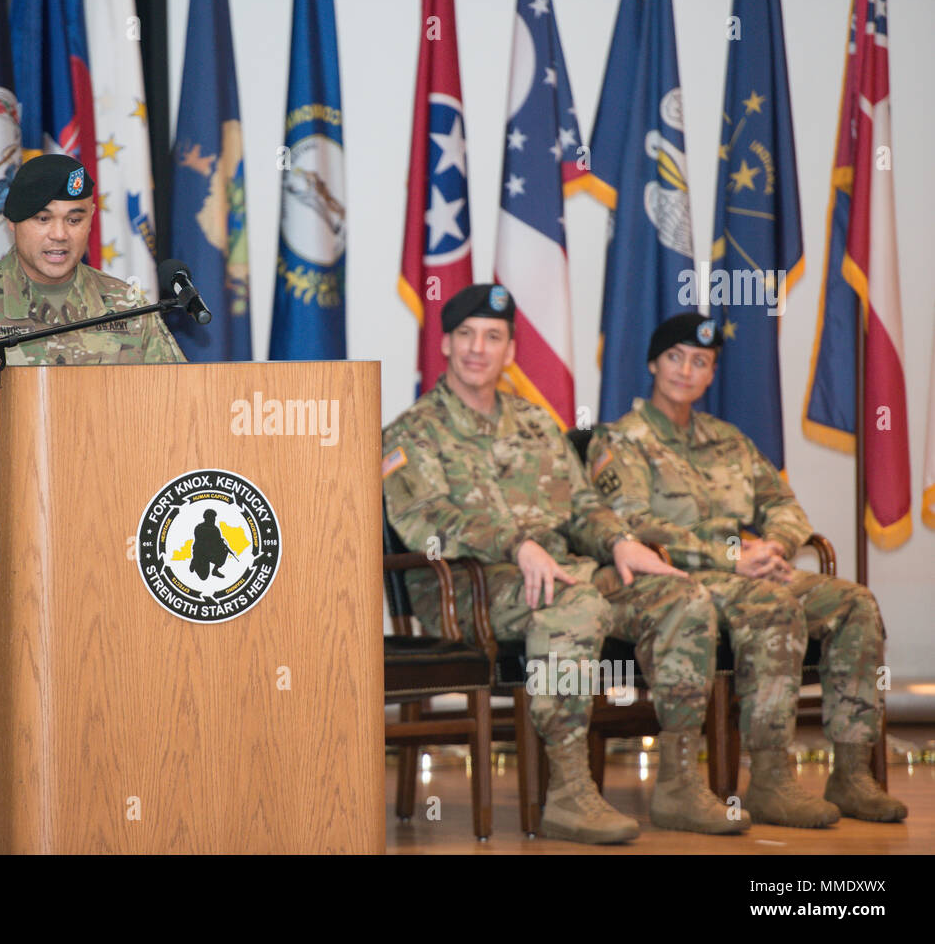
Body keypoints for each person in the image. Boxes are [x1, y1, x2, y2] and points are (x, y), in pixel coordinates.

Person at [382, 285, 736, 844]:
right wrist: (516, 544)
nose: (478, 348)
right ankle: (569, 792)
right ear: (445, 344)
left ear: (509, 352)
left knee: (681, 598)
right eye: (466, 335)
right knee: (575, 604)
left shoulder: (535, 421)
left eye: (492, 337)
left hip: (563, 570)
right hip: (468, 587)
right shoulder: (412, 431)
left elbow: (582, 505)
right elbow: (428, 521)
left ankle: (679, 783)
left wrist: (619, 541)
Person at [587, 312, 905, 825]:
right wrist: (733, 557)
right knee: (773, 607)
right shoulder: (621, 441)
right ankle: (771, 778)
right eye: (675, 358)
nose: (686, 371)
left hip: (749, 572)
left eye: (701, 362)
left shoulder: (728, 439)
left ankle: (851, 772)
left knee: (854, 603)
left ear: (712, 373)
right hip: (676, 582)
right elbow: (636, 528)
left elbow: (783, 503)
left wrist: (774, 547)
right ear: (652, 364)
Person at [0, 154, 185, 448]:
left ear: (91, 217)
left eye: (74, 220)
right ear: (12, 221)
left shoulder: (127, 306)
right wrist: (19, 439)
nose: (60, 235)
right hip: (7, 486)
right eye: (43, 219)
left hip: (112, 484)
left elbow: (181, 402)